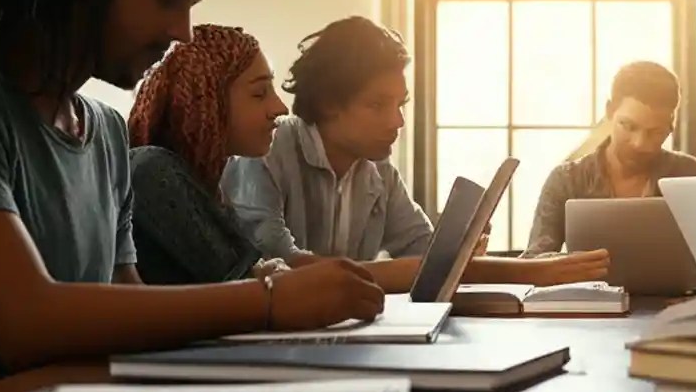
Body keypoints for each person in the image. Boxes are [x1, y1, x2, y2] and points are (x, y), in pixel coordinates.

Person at [0, 0, 381, 382]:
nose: (182, 33)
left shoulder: (104, 134)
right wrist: (266, 299)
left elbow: (126, 319)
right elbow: (21, 321)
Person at [223, 16, 609, 289]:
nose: (397, 122)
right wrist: (523, 273)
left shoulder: (380, 174)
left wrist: (462, 251)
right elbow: (282, 267)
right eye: (377, 105)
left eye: (400, 104)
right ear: (328, 104)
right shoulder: (268, 150)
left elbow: (428, 256)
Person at [128, 24, 293, 284]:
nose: (280, 108)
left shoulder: (209, 187)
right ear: (204, 100)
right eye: (259, 93)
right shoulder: (152, 170)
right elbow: (253, 289)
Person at [523, 61, 696, 257]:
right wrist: (567, 264)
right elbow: (532, 262)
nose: (639, 143)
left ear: (671, 125)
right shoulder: (567, 180)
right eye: (628, 126)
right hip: (586, 288)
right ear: (609, 111)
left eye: (655, 132)